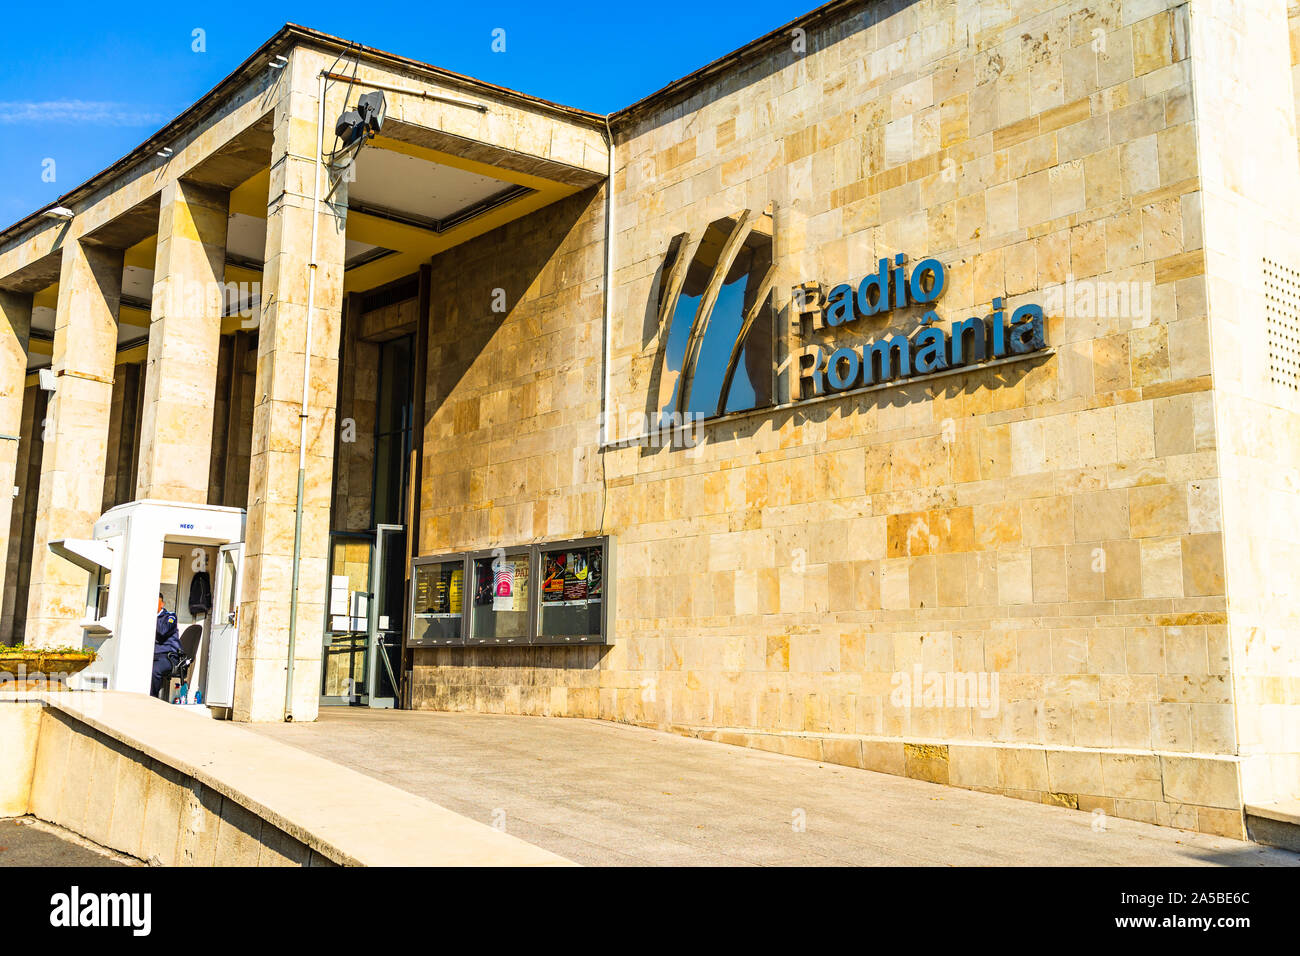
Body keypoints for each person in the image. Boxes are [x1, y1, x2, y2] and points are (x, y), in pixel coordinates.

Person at [151, 593, 181, 698]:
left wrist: (152, 616)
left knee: (154, 670)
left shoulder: (170, 616)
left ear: (162, 604)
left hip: (168, 656)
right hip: (152, 655)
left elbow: (163, 631)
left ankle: (151, 698)